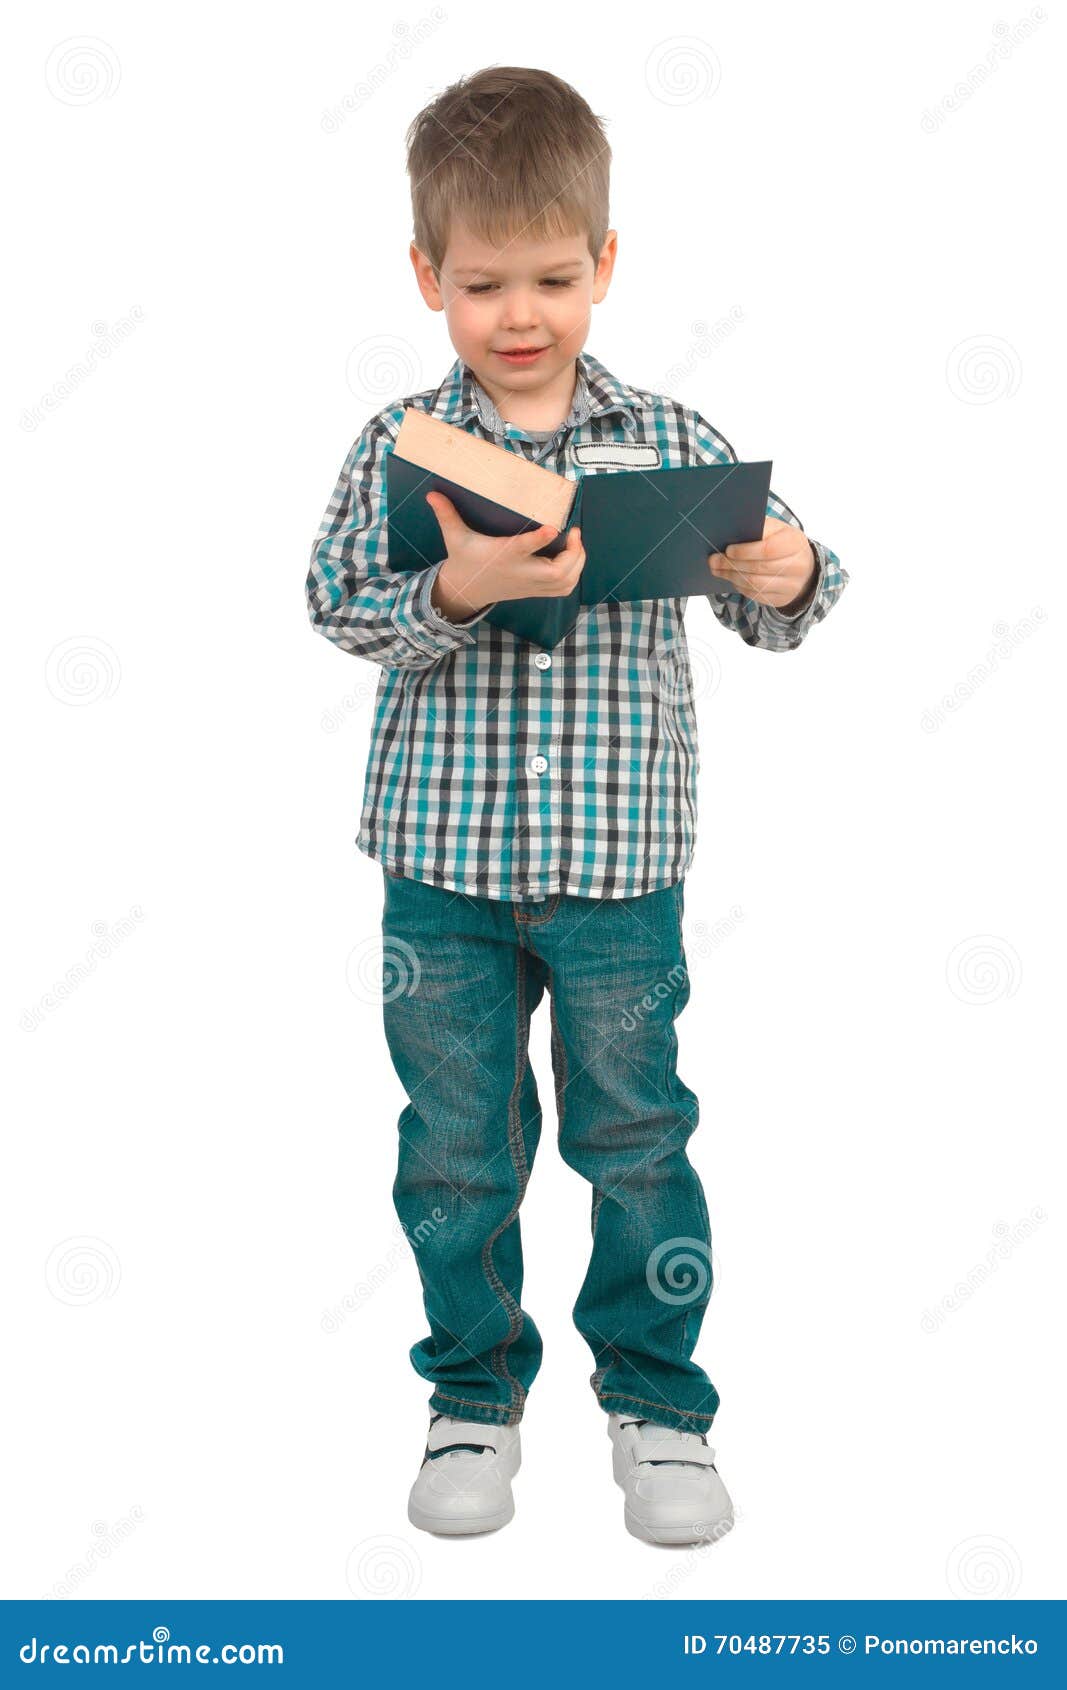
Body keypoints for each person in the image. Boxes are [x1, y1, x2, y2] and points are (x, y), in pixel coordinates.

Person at [305, 65, 848, 1547]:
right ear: (429, 277)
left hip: (619, 875)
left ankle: (661, 1403)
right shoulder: (396, 444)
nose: (521, 311)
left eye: (554, 274)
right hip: (443, 870)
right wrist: (455, 586)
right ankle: (471, 1389)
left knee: (639, 1135)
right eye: (484, 283)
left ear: (605, 264)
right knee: (459, 1142)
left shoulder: (668, 439)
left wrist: (792, 574)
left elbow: (787, 595)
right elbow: (336, 605)